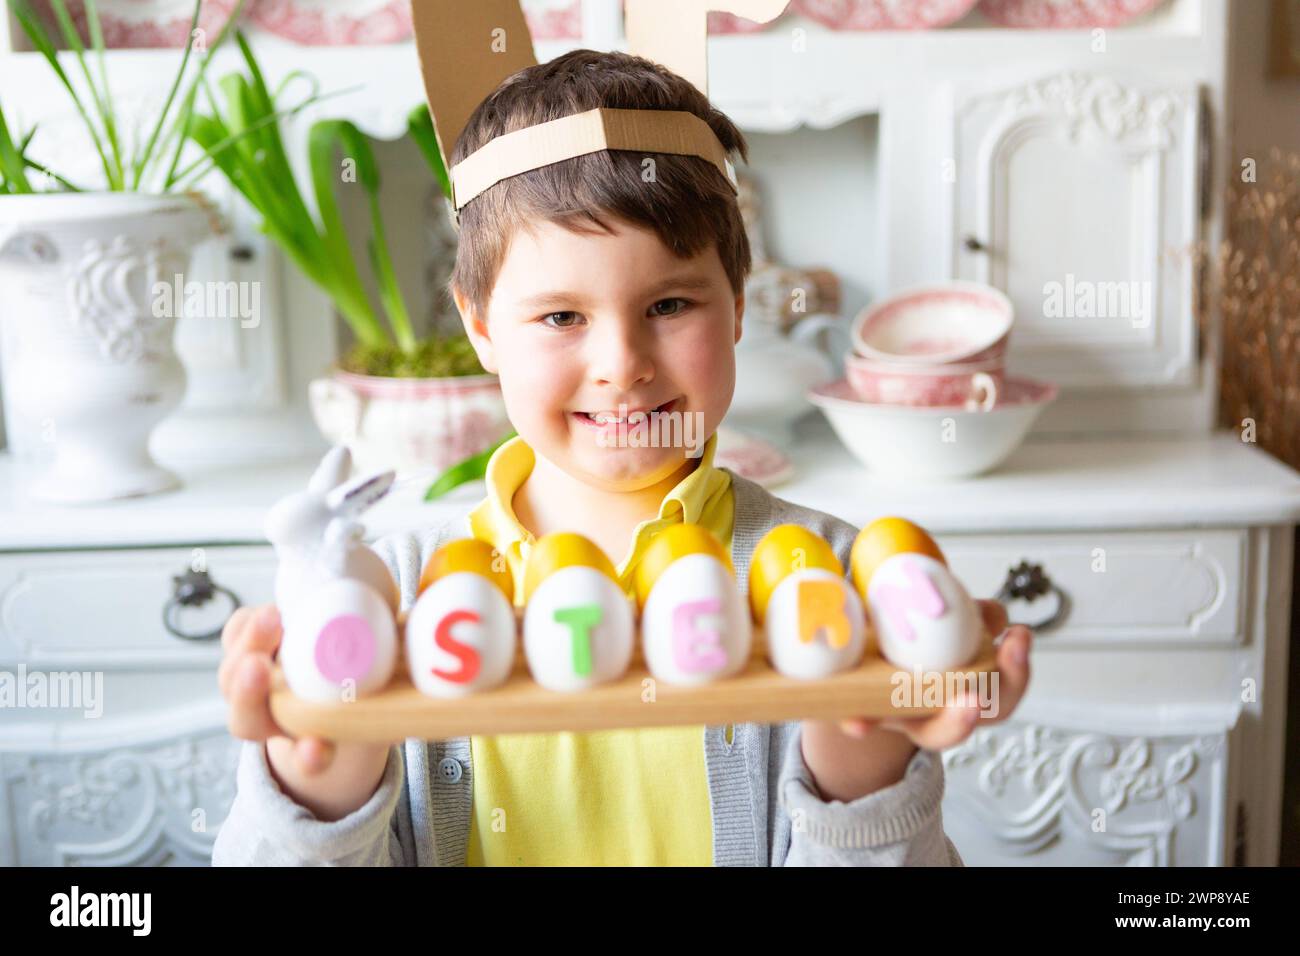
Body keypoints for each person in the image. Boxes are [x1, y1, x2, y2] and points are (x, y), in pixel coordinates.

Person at [212, 49, 1032, 866]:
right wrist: (319, 789)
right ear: (481, 327)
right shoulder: (397, 603)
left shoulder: (838, 583)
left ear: (738, 305)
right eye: (562, 316)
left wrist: (865, 765)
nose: (622, 363)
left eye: (669, 303)